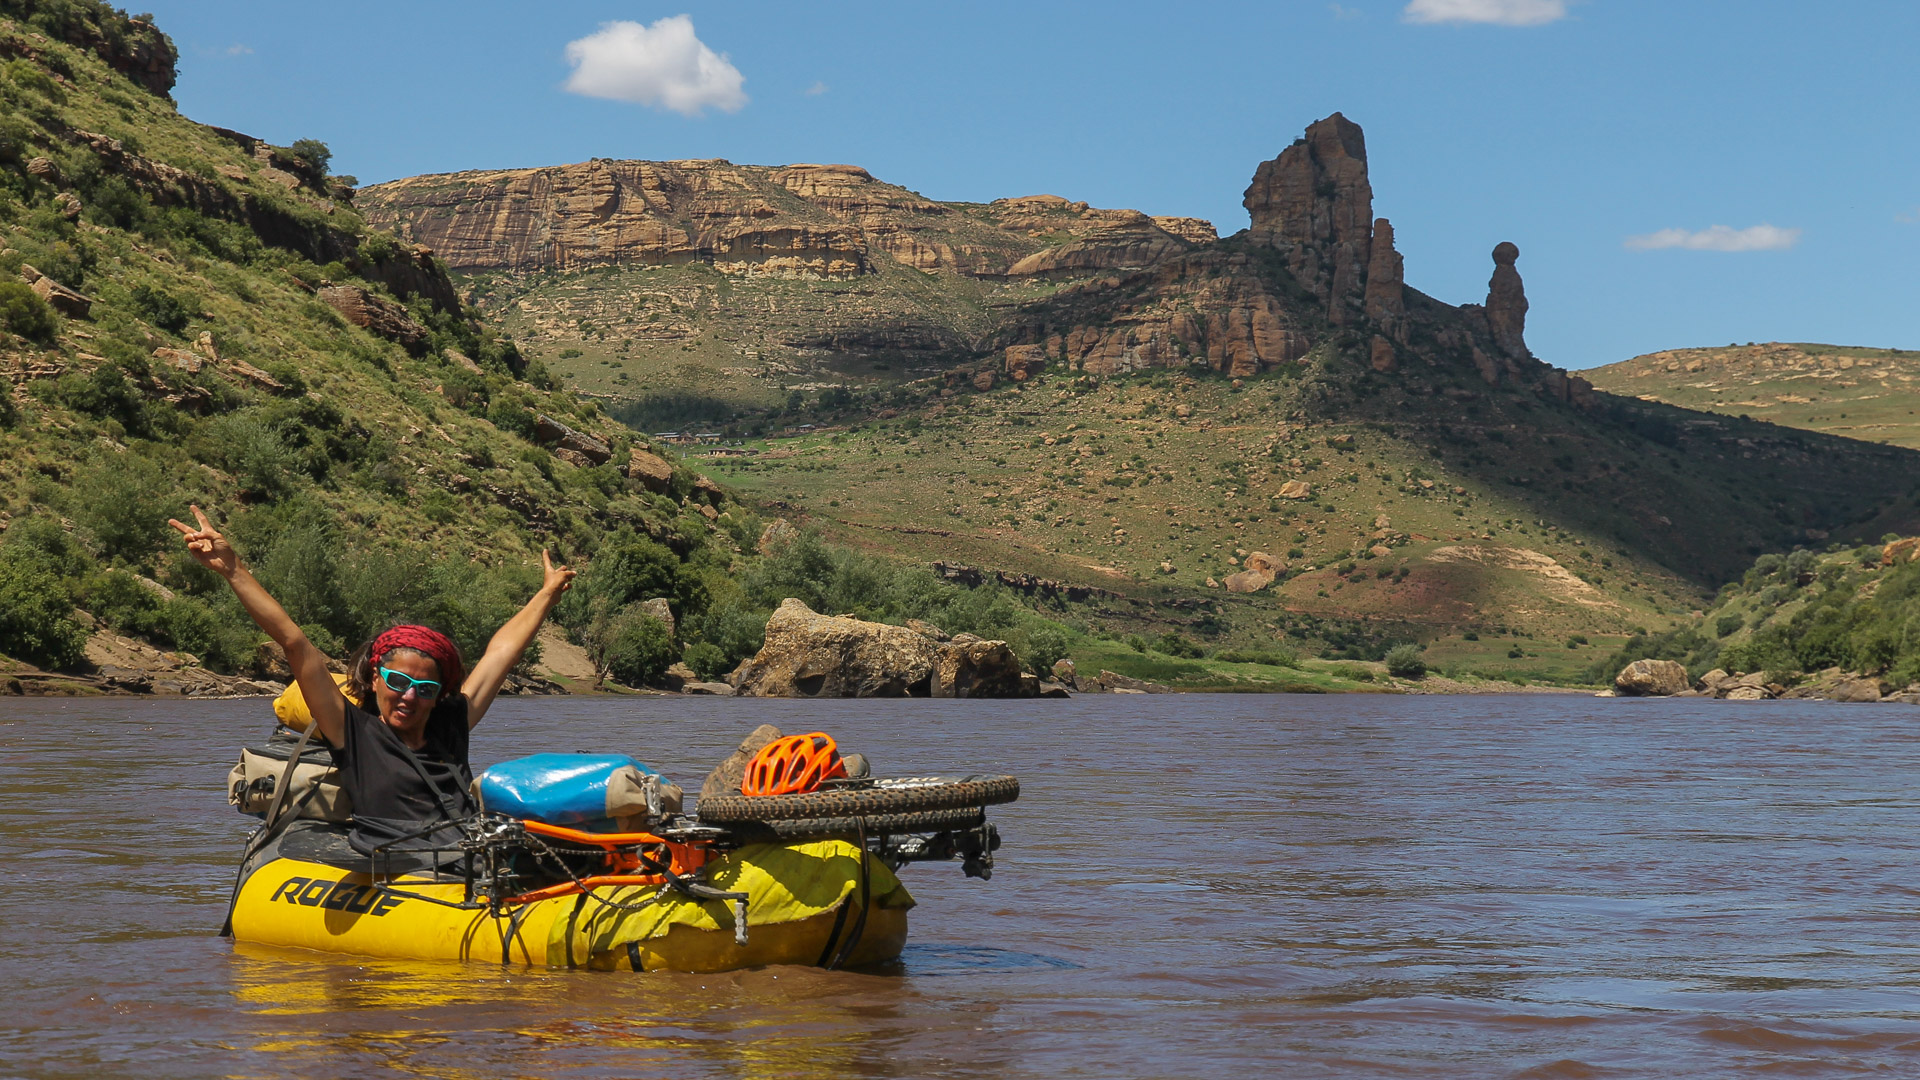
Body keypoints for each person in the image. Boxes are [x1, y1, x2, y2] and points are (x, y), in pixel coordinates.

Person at [170, 504, 575, 856]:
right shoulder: (352, 732)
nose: (409, 697)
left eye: (426, 689)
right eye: (398, 681)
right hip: (394, 865)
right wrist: (233, 570)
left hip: (463, 855)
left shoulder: (451, 723)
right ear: (376, 679)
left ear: (438, 695)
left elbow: (501, 654)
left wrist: (547, 594)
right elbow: (294, 642)